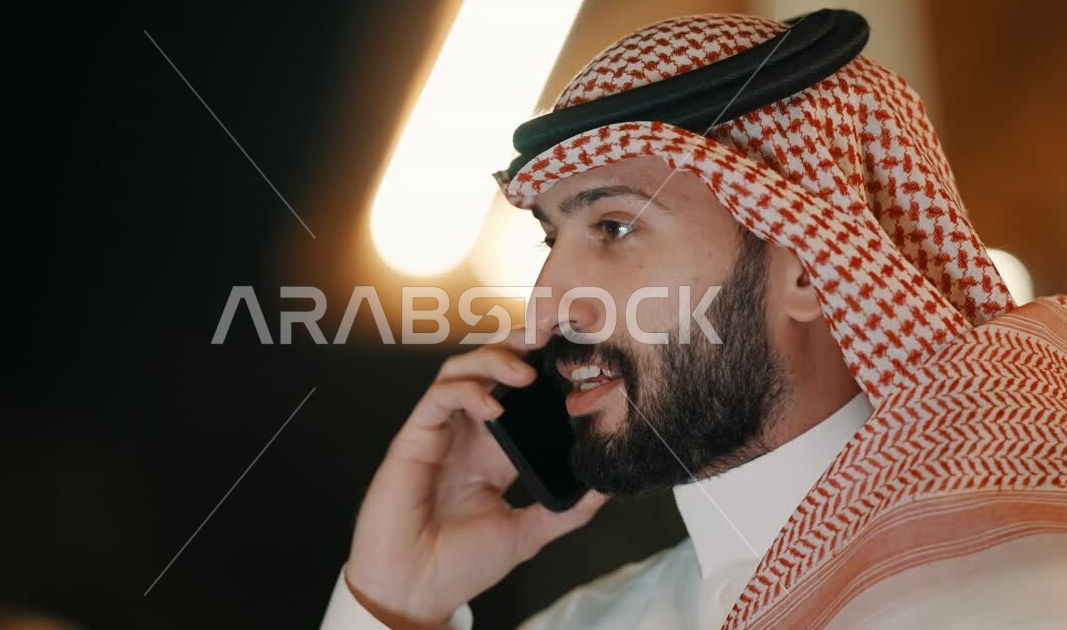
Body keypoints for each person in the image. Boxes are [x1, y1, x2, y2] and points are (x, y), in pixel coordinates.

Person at [320, 10, 1067, 629]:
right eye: (551, 240)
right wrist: (395, 601)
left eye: (614, 226)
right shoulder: (592, 621)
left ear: (809, 263)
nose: (545, 304)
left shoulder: (1027, 596)